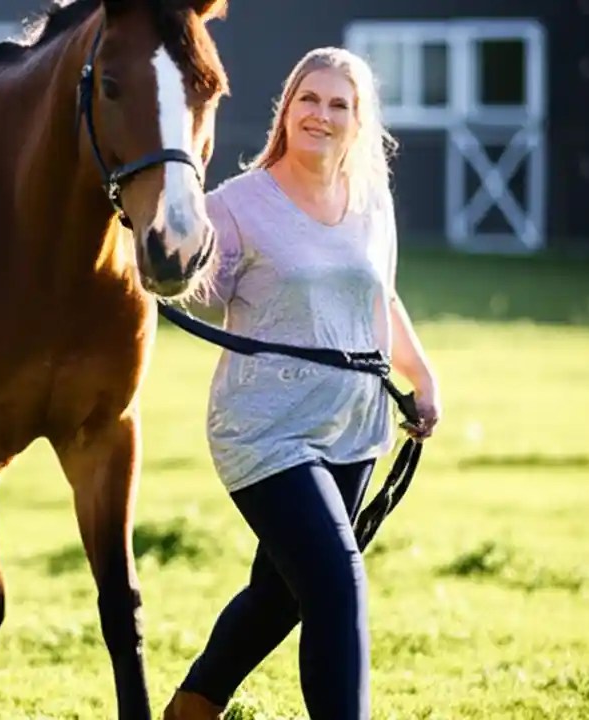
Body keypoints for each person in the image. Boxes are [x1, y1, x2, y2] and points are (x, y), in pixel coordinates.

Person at [162, 47, 441, 720]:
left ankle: (191, 707)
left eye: (338, 104)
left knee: (280, 592)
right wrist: (167, 245)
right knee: (336, 583)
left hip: (353, 427)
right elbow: (189, 281)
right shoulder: (235, 206)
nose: (321, 114)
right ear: (285, 110)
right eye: (308, 99)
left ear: (359, 121)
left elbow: (384, 299)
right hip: (265, 428)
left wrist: (422, 376)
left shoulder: (372, 203)